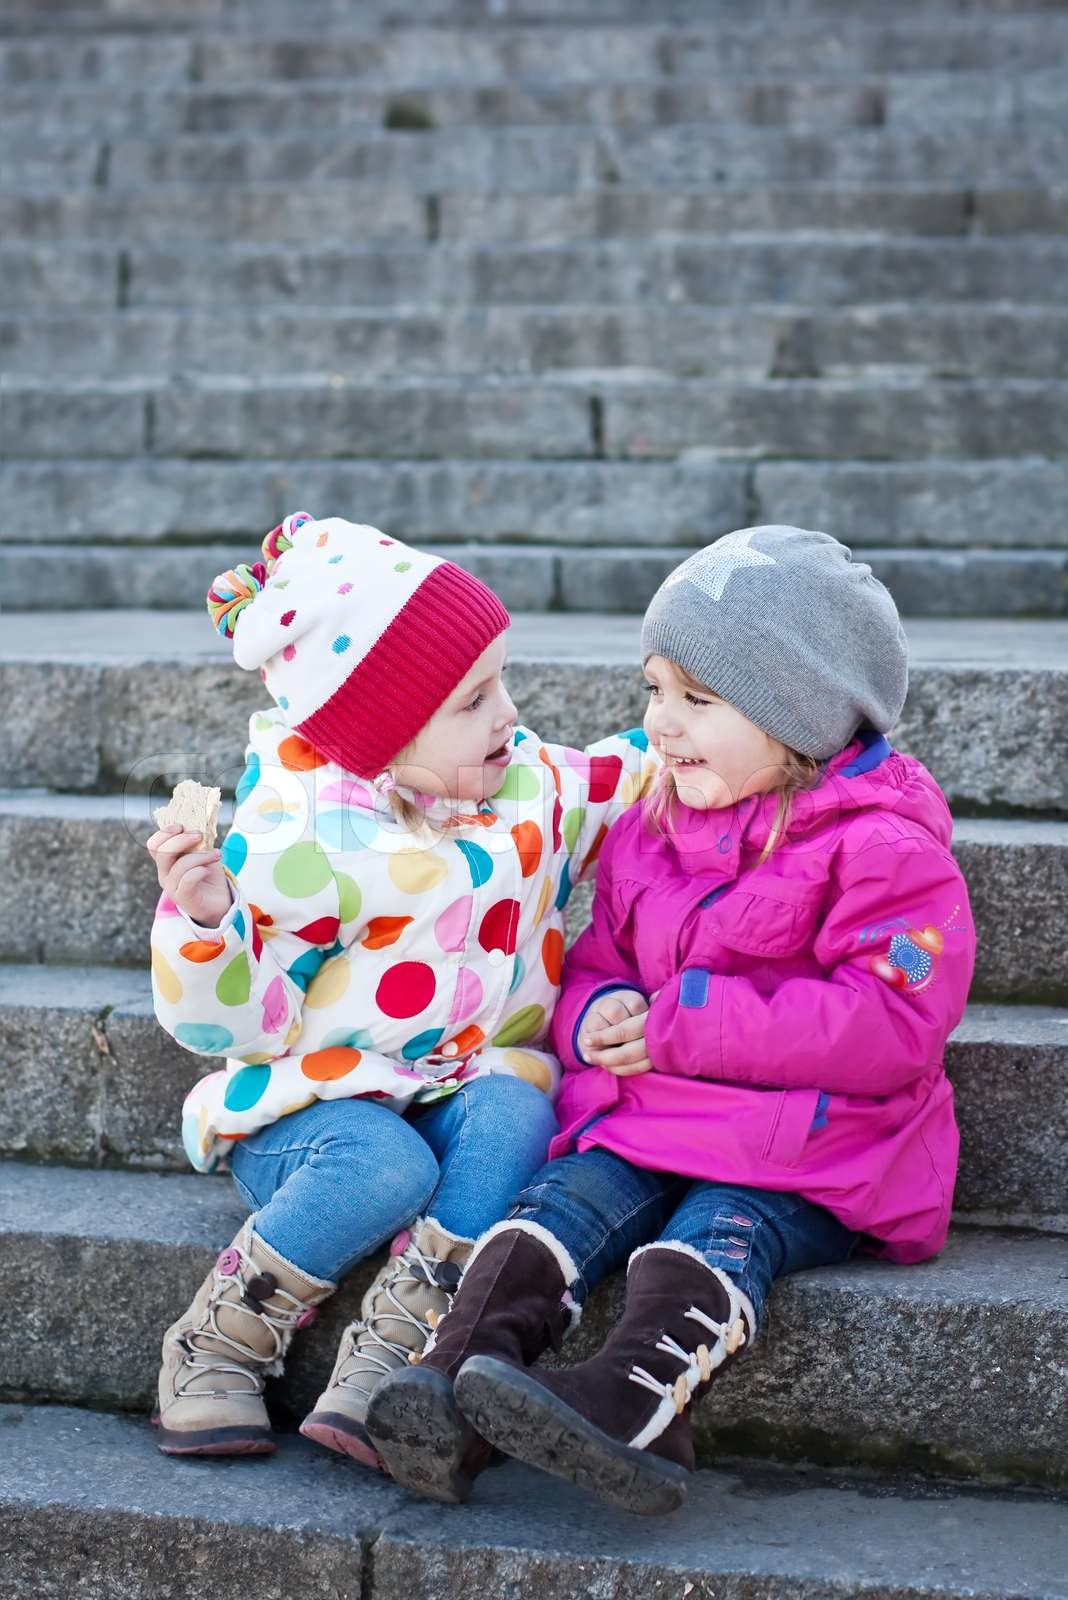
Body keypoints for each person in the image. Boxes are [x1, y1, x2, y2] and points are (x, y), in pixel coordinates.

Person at [363, 524, 976, 1516]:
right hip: (660, 1109)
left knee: (717, 1224)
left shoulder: (886, 853)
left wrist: (689, 1021)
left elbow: (891, 1026)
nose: (661, 723)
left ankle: (633, 1399)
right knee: (563, 1194)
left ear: (799, 714)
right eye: (654, 690)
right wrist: (598, 1007)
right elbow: (606, 952)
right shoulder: (658, 820)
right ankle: (455, 1376)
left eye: (697, 699)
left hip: (811, 1143)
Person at [146, 510, 659, 1463]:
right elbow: (235, 1027)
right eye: (474, 698)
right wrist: (211, 926)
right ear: (383, 736)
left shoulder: (525, 787)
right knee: (386, 1165)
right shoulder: (302, 841)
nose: (508, 712)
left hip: (457, 1086)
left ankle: (393, 1355)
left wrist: (699, 729)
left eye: (502, 678)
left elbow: (616, 778)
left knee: (516, 1113)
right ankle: (218, 1345)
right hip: (316, 1107)